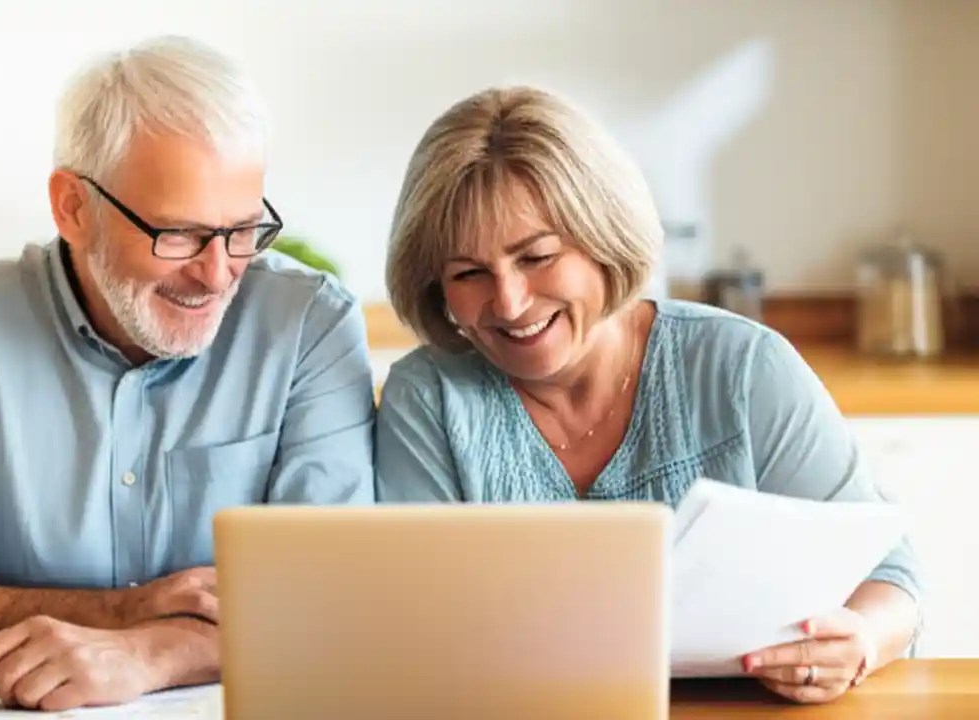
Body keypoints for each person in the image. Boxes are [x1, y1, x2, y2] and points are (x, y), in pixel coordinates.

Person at [0, 36, 376, 711]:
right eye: (180, 235)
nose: (218, 274)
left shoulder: (309, 325)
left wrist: (149, 655)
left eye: (243, 230)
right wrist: (119, 613)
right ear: (73, 207)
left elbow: (335, 601)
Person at [374, 85, 921, 704]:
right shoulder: (429, 396)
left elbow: (888, 577)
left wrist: (860, 642)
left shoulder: (742, 368)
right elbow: (417, 628)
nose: (510, 302)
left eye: (538, 257)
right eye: (469, 273)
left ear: (603, 238)